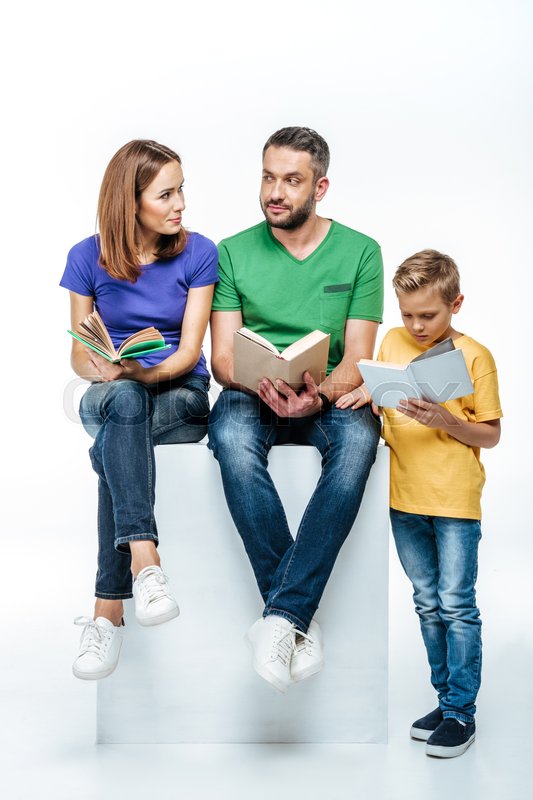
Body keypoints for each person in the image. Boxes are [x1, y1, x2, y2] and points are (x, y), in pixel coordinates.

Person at [208, 126, 383, 693]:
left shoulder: (361, 251)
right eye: (268, 177)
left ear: (320, 187)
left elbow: (358, 357)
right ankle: (294, 617)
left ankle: (279, 617)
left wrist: (320, 395)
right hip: (252, 391)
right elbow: (223, 359)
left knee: (359, 444)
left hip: (326, 391)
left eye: (291, 180)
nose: (274, 192)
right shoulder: (232, 252)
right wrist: (261, 383)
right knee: (230, 441)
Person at [60, 139, 218, 680]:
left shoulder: (199, 252)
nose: (180, 204)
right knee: (124, 405)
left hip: (180, 394)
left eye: (181, 190)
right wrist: (104, 368)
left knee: (115, 441)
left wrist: (141, 374)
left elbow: (190, 352)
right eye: (165, 194)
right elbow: (78, 353)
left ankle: (107, 612)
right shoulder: (86, 256)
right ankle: (147, 565)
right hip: (113, 391)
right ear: (130, 202)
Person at [337, 249, 502, 757]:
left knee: (456, 605)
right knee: (427, 604)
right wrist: (368, 394)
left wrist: (446, 421)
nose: (416, 325)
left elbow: (491, 434)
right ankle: (445, 701)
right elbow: (383, 393)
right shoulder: (392, 341)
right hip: (404, 498)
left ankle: (461, 712)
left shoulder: (475, 356)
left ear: (456, 303)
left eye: (427, 315)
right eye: (407, 314)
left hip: (454, 500)